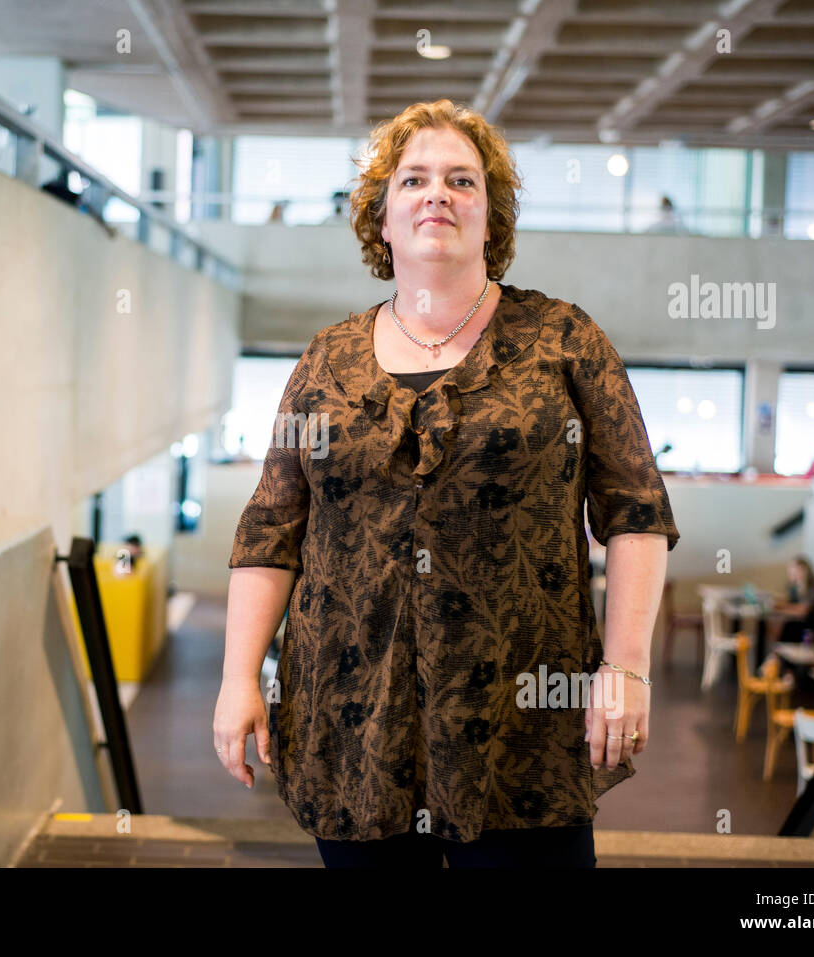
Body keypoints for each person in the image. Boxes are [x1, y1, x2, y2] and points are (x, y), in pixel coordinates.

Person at [215, 99, 679, 868]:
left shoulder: (565, 341)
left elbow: (636, 512)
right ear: (383, 219)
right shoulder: (325, 362)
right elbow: (271, 528)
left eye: (463, 180)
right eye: (415, 180)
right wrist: (239, 679)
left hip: (521, 719)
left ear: (490, 218)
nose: (438, 194)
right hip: (352, 719)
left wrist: (626, 665)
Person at [774, 556, 814, 642]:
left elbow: (803, 610)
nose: (790, 574)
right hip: (808, 621)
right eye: (790, 571)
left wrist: (781, 608)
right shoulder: (795, 587)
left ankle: (784, 653)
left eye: (794, 571)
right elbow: (791, 602)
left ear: (804, 571)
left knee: (791, 627)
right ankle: (782, 652)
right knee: (789, 625)